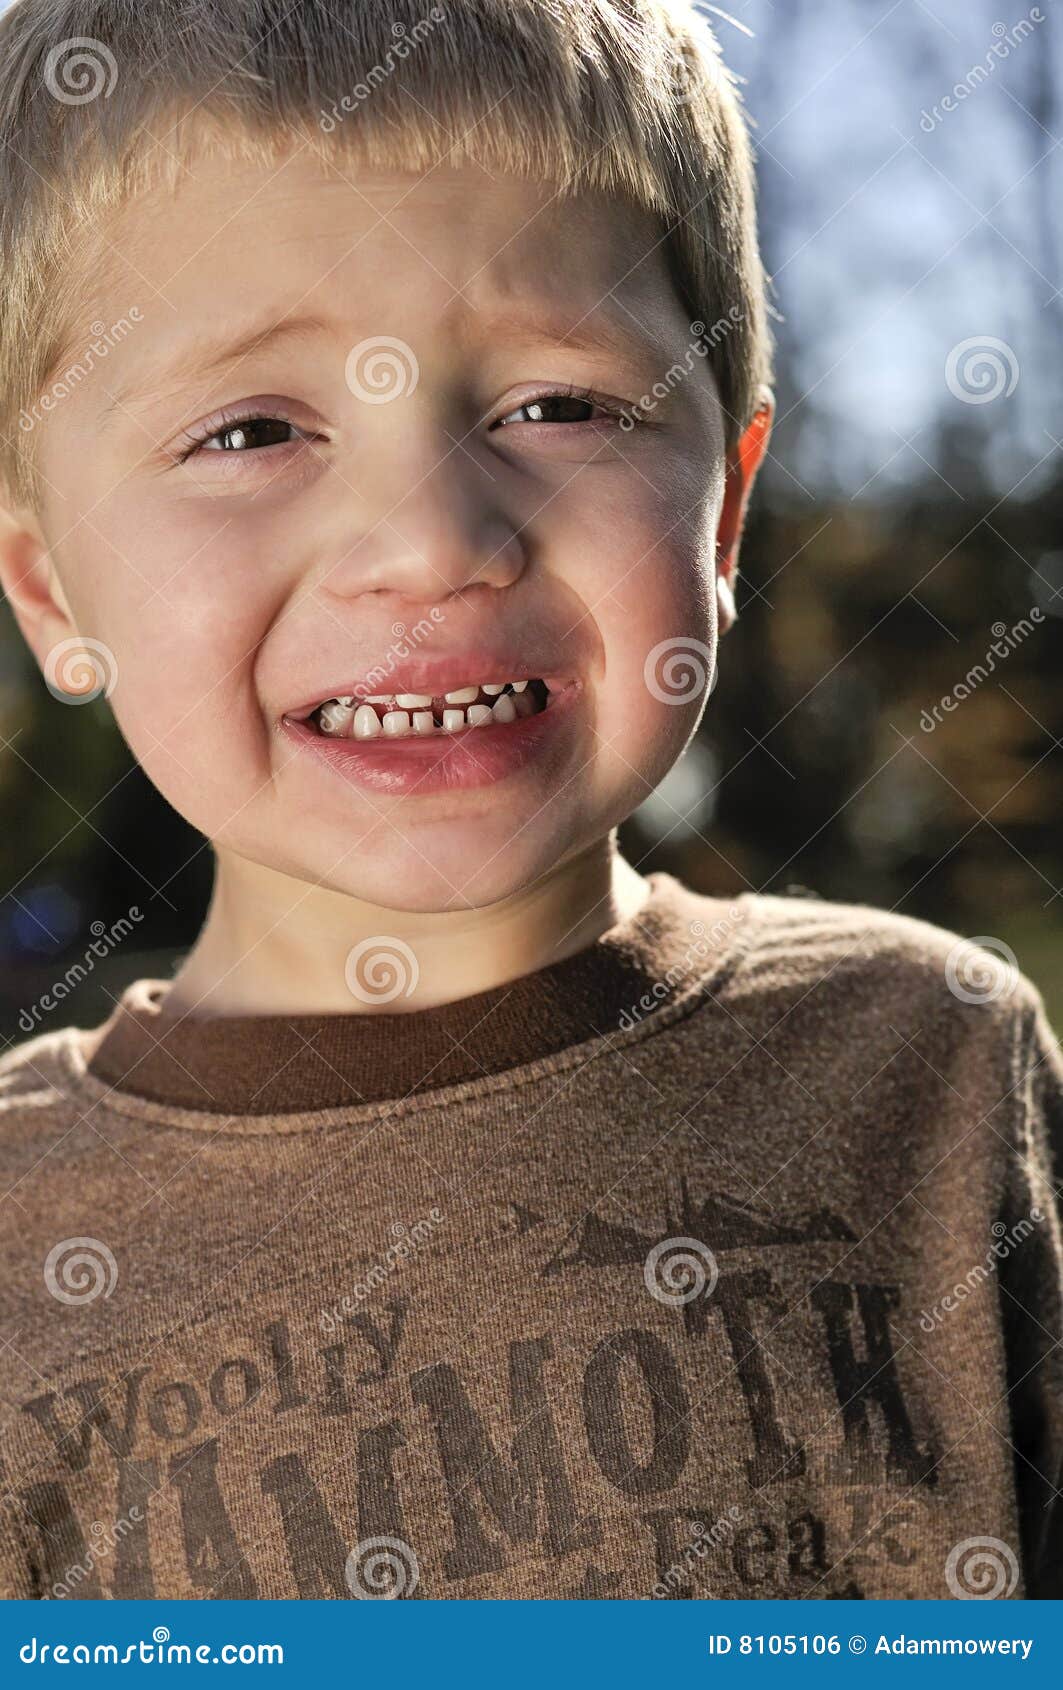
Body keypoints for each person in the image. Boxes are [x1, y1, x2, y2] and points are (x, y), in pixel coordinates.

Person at [0, 0, 1058, 1601]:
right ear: (47, 586)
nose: (431, 540)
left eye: (560, 407)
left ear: (725, 508)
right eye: (253, 429)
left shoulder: (937, 1063)